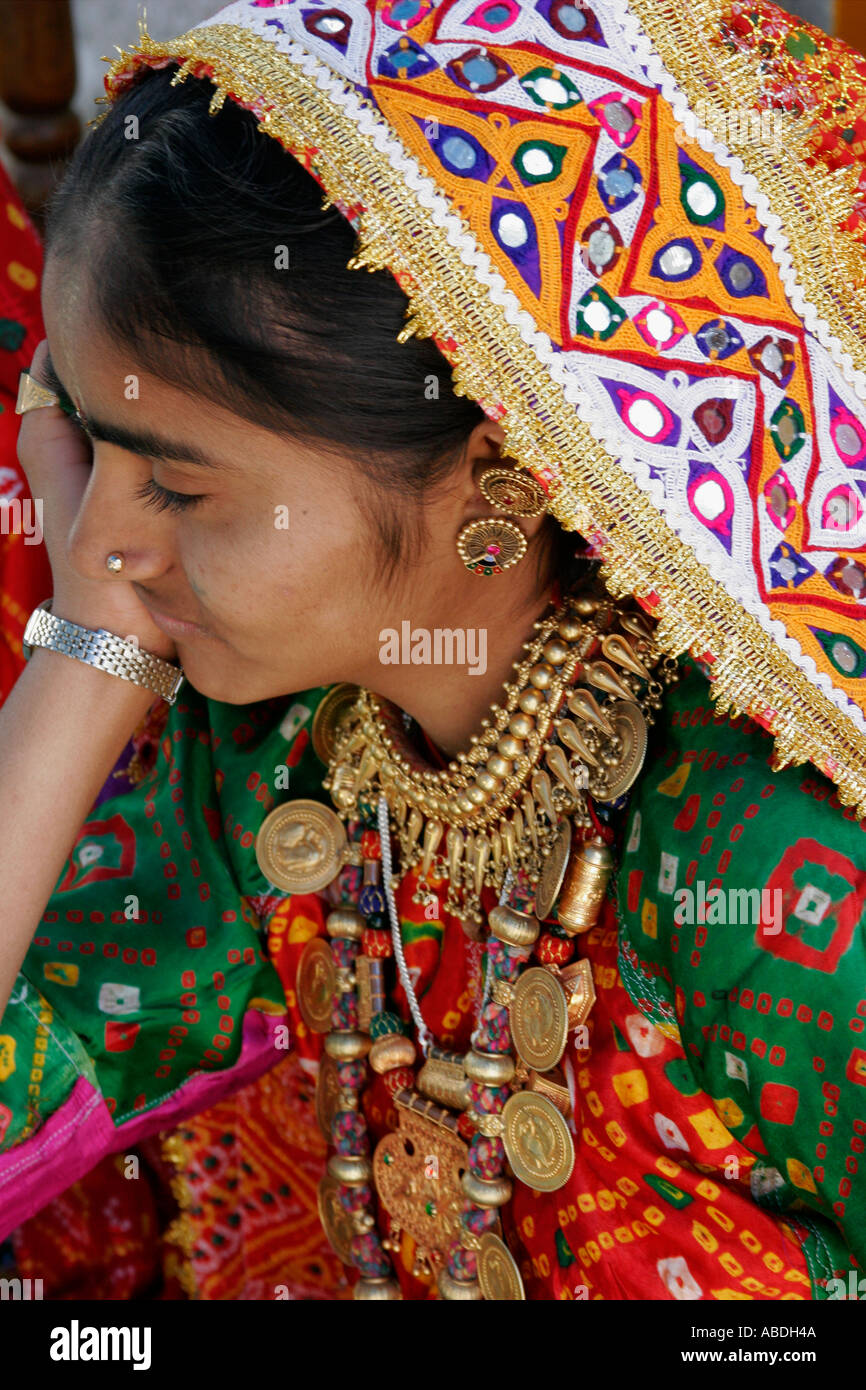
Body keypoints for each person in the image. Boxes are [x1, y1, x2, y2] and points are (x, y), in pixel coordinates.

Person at [0, 0, 864, 1301]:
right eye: (87, 445)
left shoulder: (767, 876)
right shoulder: (283, 769)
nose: (97, 544)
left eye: (177, 486)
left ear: (499, 487)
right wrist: (80, 662)